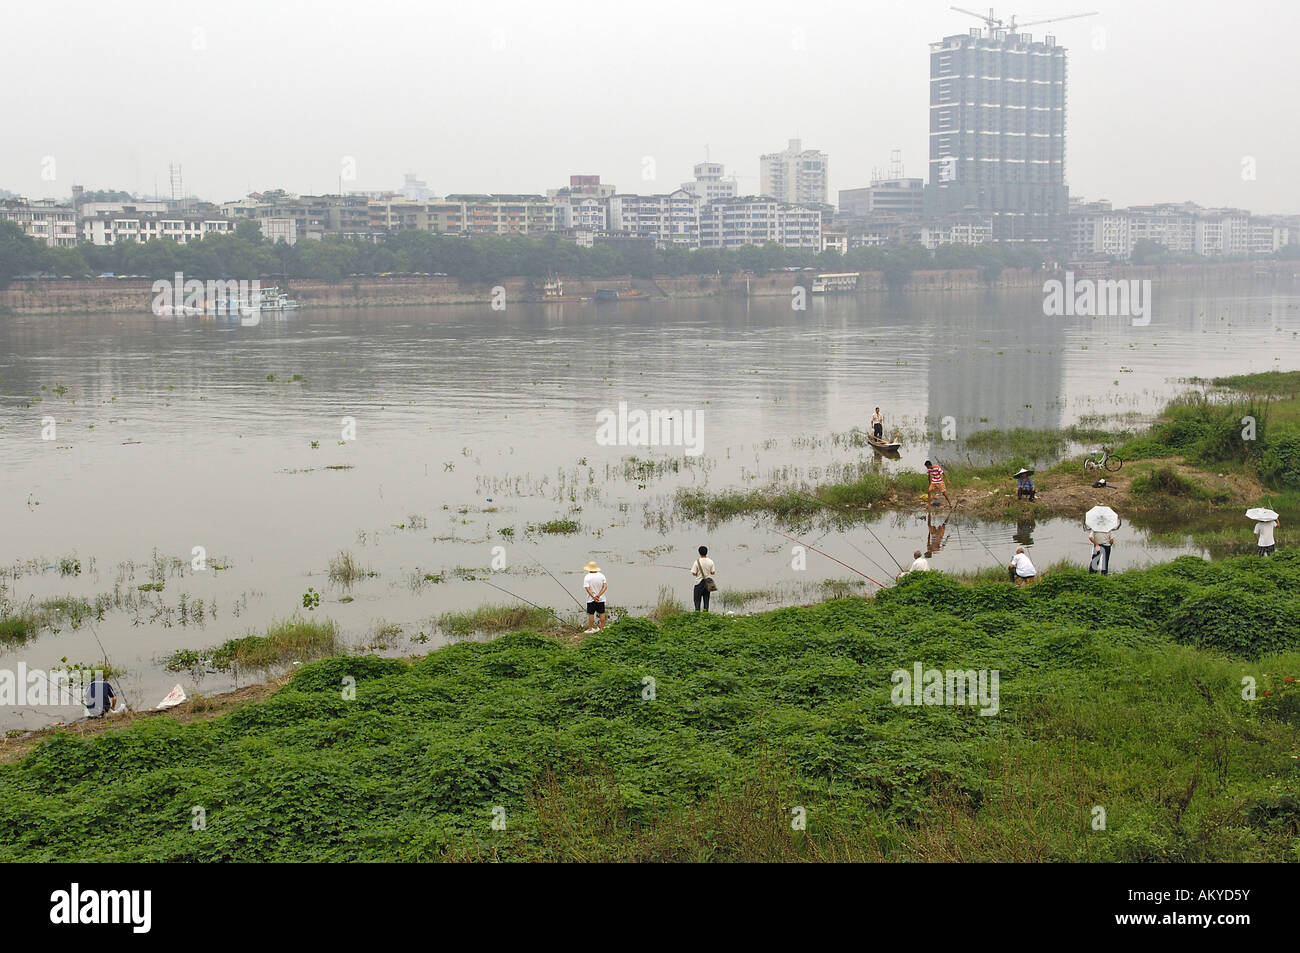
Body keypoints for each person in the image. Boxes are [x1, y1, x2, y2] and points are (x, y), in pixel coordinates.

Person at [582, 560, 607, 633]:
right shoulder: (602, 575)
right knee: (602, 613)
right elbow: (605, 587)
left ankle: (590, 629)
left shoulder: (587, 577)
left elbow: (587, 588)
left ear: (589, 569)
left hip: (591, 599)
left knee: (591, 614)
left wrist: (593, 597)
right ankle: (602, 628)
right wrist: (598, 596)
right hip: (601, 598)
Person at [690, 545, 717, 612]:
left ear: (699, 553)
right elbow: (713, 572)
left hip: (698, 583)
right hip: (707, 584)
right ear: (706, 552)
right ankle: (705, 615)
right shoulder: (711, 561)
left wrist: (697, 573)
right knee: (706, 601)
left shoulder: (697, 562)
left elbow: (693, 573)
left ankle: (697, 614)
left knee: (697, 601)